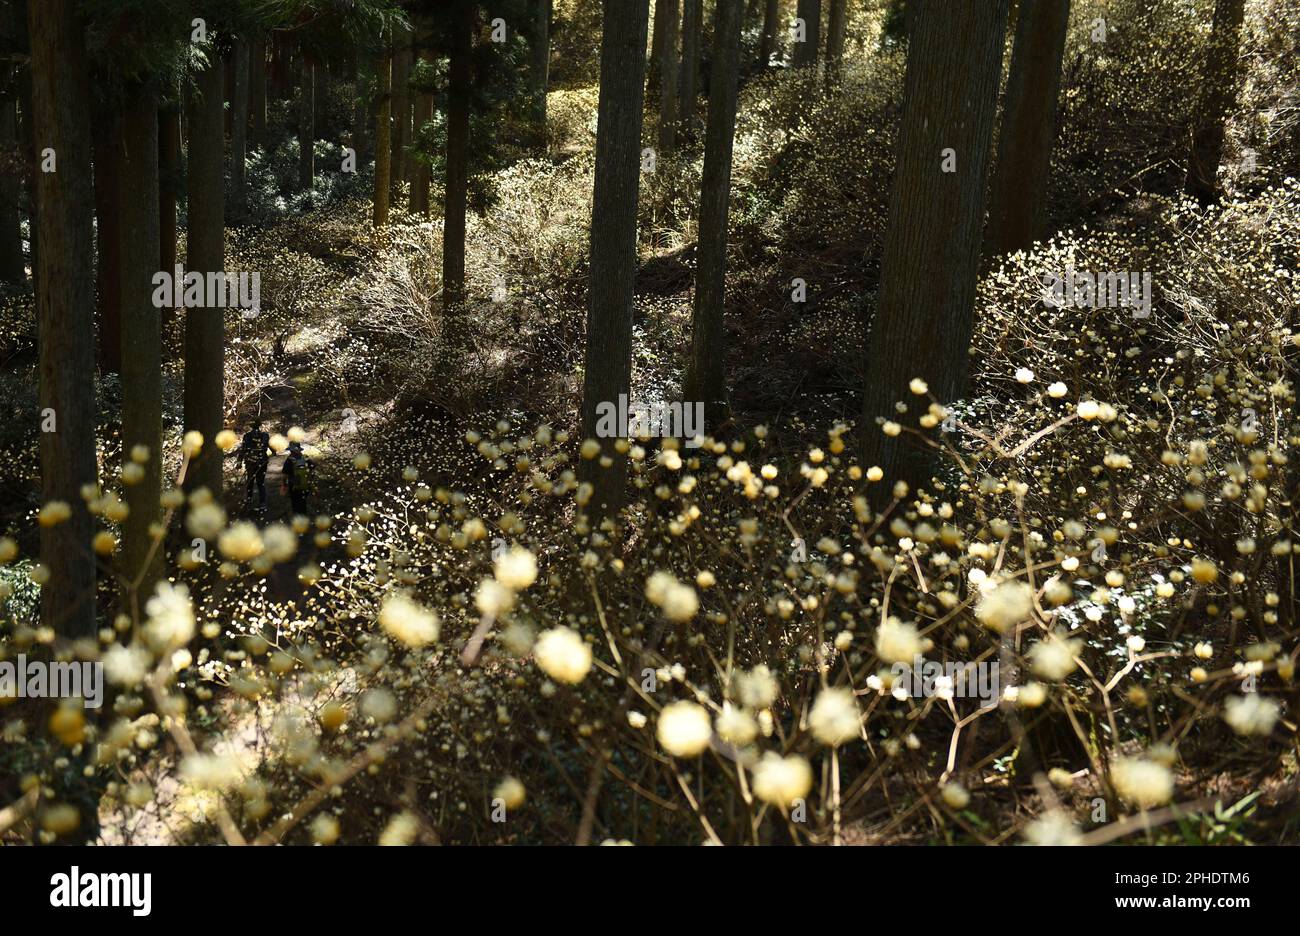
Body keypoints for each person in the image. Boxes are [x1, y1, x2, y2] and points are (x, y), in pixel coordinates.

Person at [233, 420, 271, 510]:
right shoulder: (265, 435)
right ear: (260, 425)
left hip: (250, 462)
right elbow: (270, 446)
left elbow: (243, 449)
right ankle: (262, 503)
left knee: (250, 481)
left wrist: (239, 462)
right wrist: (274, 452)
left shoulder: (247, 436)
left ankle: (249, 499)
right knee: (260, 483)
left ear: (251, 426)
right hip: (262, 462)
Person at [282, 441, 315, 516]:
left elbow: (285, 475)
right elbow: (313, 468)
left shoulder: (289, 460)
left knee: (295, 504)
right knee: (303, 502)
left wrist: (284, 485)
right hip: (306, 485)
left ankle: (298, 519)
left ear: (291, 450)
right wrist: (310, 480)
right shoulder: (306, 458)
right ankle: (304, 517)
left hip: (294, 486)